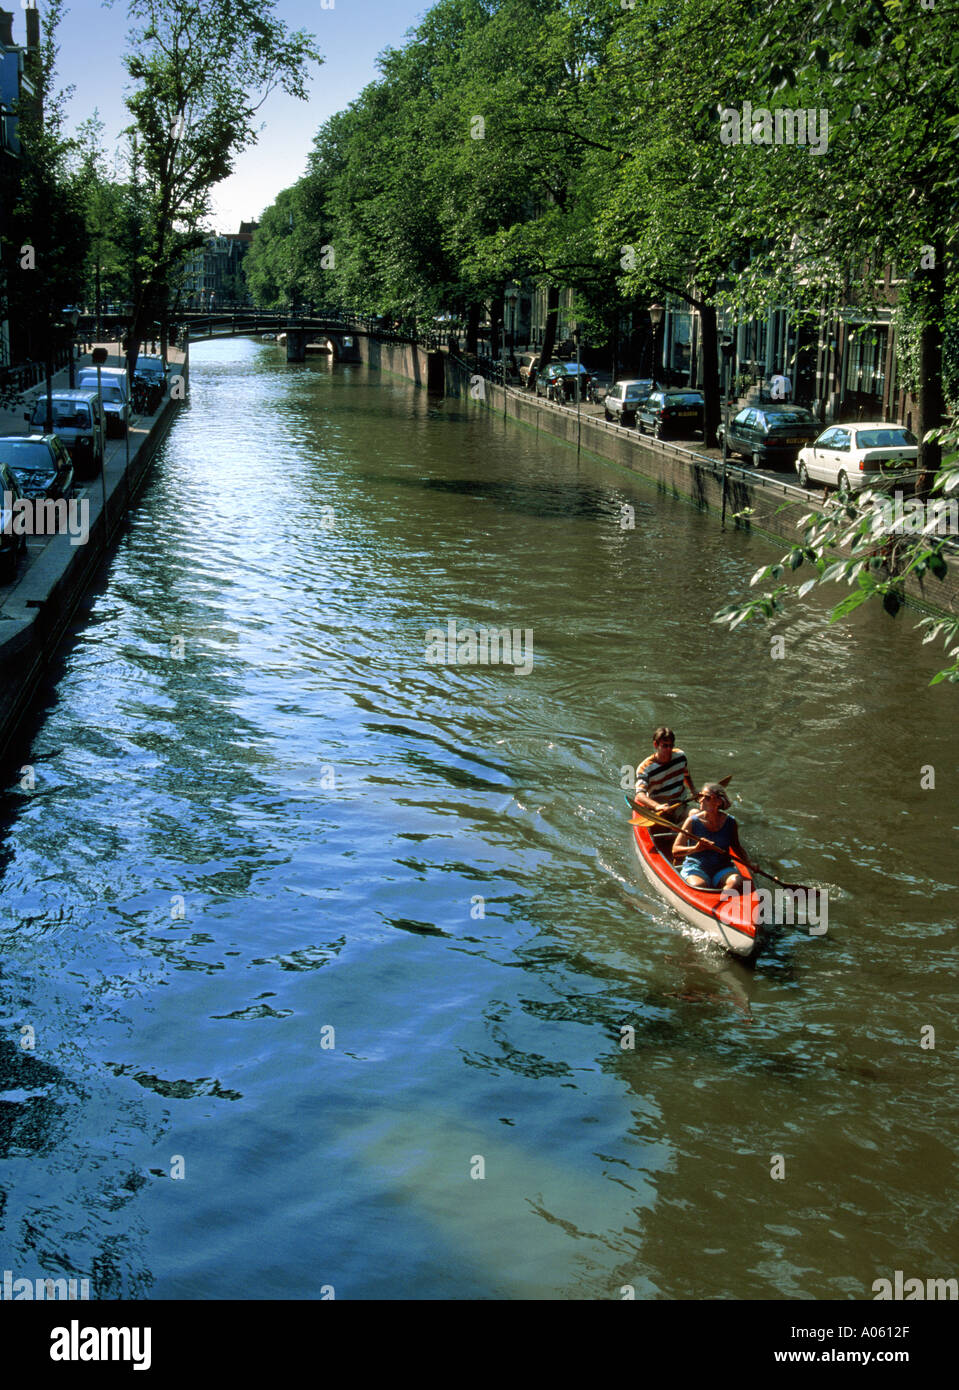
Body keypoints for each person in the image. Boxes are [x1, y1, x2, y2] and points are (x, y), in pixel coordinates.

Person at [672, 783, 753, 893]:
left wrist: (749, 863)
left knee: (736, 881)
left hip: (722, 868)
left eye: (707, 798)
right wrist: (696, 848)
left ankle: (723, 901)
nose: (701, 800)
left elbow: (737, 847)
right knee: (699, 886)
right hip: (696, 868)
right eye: (701, 796)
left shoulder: (730, 822)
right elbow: (675, 851)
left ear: (718, 802)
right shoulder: (692, 821)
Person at [634, 726, 697, 824]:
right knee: (663, 827)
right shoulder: (645, 768)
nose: (668, 749)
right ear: (656, 745)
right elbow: (639, 795)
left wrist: (693, 790)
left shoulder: (680, 757)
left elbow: (685, 773)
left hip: (679, 805)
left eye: (671, 746)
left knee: (697, 815)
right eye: (665, 746)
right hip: (659, 809)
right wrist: (657, 806)